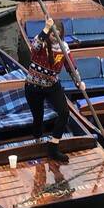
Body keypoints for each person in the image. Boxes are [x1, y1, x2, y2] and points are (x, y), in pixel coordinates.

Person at [25, 17, 76, 163]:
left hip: (52, 85)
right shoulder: (41, 41)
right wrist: (46, 28)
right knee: (38, 117)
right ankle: (37, 141)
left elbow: (70, 65)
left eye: (58, 34)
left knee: (64, 112)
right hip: (33, 86)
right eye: (53, 34)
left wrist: (78, 81)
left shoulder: (64, 47)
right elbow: (34, 47)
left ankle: (53, 147)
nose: (56, 37)